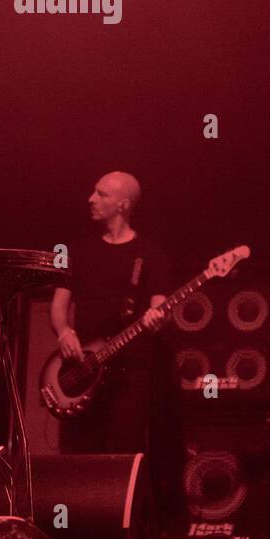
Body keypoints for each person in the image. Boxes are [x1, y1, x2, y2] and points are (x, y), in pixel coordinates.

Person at [50, 171, 182, 520]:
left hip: (130, 373)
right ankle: (76, 530)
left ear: (122, 205)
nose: (90, 199)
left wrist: (157, 317)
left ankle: (122, 529)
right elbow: (59, 304)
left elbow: (160, 305)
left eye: (101, 194)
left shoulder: (149, 253)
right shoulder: (77, 250)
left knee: (124, 457)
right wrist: (65, 333)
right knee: (79, 457)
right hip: (83, 372)